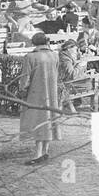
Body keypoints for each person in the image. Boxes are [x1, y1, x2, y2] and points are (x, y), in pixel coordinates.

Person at [19, 32, 62, 165]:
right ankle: (45, 151)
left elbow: (25, 78)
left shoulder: (30, 57)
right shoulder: (54, 56)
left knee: (38, 121)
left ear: (34, 43)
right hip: (52, 93)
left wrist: (22, 91)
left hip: (36, 94)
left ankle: (37, 154)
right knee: (49, 120)